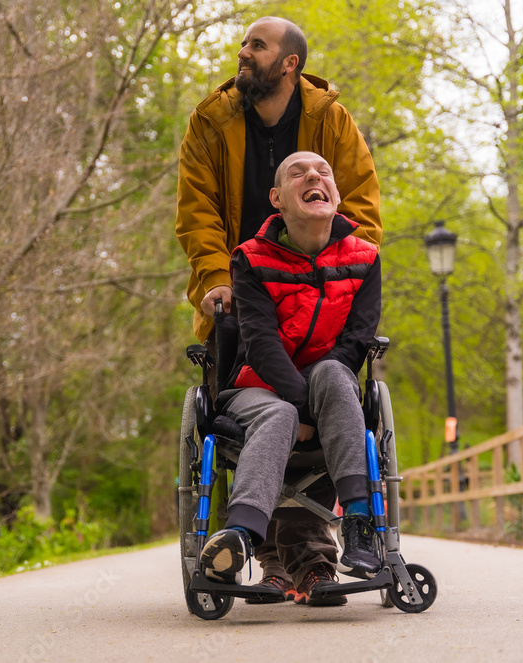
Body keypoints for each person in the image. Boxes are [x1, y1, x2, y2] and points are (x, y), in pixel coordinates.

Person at [175, 16, 382, 604]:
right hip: (244, 298)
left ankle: (309, 562)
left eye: (255, 46)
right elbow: (197, 213)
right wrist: (219, 280)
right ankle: (276, 558)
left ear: (288, 63)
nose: (241, 53)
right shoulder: (211, 122)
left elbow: (361, 204)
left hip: (321, 293)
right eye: (244, 43)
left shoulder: (329, 122)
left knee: (329, 383)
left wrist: (338, 260)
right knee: (264, 410)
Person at [198, 152, 383, 605]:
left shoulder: (366, 258)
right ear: (277, 199)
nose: (314, 176)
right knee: (279, 414)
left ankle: (359, 524)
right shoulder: (251, 259)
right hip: (255, 384)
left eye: (323, 172)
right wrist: (301, 409)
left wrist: (313, 405)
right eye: (298, 173)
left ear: (335, 195)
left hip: (325, 386)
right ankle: (239, 536)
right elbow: (260, 342)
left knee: (337, 374)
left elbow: (358, 340)